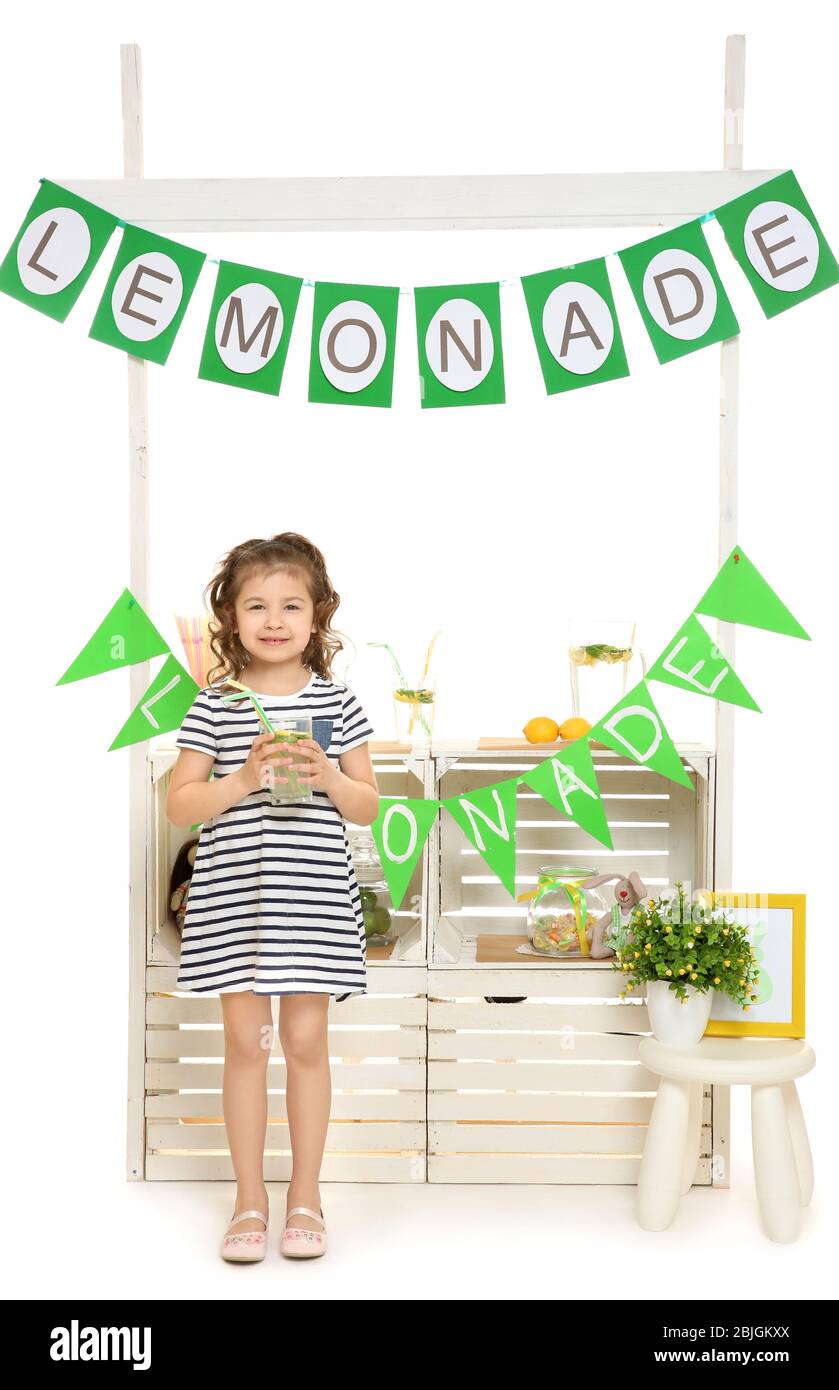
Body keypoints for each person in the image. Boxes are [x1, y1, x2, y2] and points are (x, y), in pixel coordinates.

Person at [166, 533, 379, 1262]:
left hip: (313, 900)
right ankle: (248, 1199)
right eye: (256, 605)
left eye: (291, 604)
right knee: (244, 1046)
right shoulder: (217, 704)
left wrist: (325, 774)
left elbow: (367, 807)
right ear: (230, 617)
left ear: (318, 617)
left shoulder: (338, 702)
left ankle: (307, 1198)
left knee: (306, 1043)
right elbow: (180, 806)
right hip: (235, 903)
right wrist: (242, 780)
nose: (274, 619)